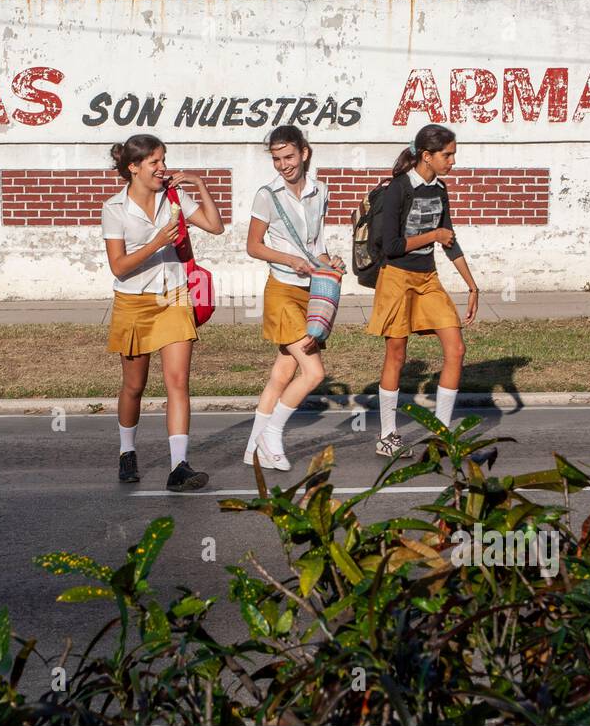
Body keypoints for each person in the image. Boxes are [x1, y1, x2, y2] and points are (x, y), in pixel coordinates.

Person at [101, 134, 225, 491]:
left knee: (178, 382)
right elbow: (118, 266)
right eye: (154, 162)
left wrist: (199, 185)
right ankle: (127, 452)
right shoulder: (114, 208)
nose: (162, 168)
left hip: (174, 297)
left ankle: (178, 466)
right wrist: (157, 242)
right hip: (134, 302)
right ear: (134, 167)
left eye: (163, 160)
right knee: (134, 386)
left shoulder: (173, 197)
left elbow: (215, 227)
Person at [367, 124, 479, 458]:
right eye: (447, 154)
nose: (453, 161)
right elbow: (392, 246)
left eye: (454, 153)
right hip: (397, 278)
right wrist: (432, 236)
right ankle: (388, 436)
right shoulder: (398, 190)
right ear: (426, 156)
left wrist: (472, 286)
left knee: (456, 349)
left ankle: (442, 435)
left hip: (427, 278)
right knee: (397, 355)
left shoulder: (440, 189)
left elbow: (450, 239)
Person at [243, 125, 345, 470]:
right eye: (276, 159)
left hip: (311, 292)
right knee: (314, 373)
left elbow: (316, 243)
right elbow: (253, 245)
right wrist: (291, 260)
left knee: (282, 373)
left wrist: (329, 260)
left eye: (288, 156)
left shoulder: (321, 191)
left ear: (304, 152)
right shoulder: (267, 195)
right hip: (283, 292)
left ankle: (252, 450)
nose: (283, 165)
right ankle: (271, 434)